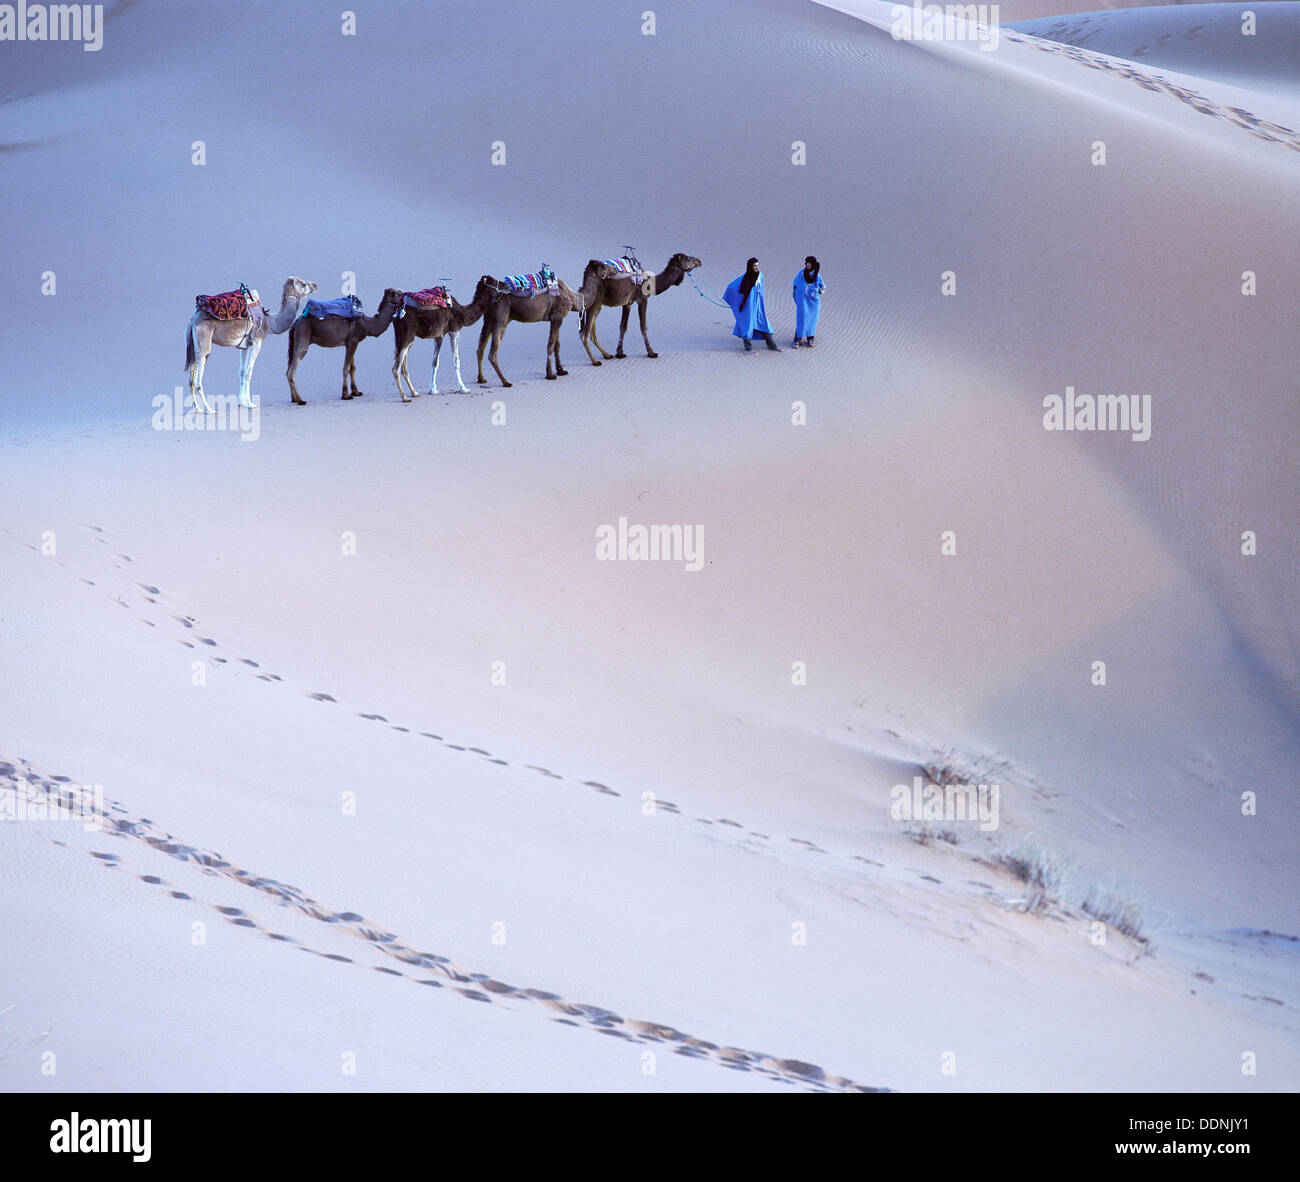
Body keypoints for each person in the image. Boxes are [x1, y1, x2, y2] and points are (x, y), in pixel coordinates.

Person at [723, 258, 782, 352]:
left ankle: (772, 345)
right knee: (747, 325)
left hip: (758, 306)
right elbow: (731, 287)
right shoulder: (744, 277)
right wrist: (733, 300)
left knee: (765, 325)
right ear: (750, 266)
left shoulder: (760, 276)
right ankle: (748, 348)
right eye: (755, 265)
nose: (756, 267)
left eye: (757, 265)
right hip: (748, 307)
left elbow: (761, 290)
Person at [792, 256, 824, 347]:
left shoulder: (816, 275)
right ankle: (798, 339)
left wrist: (817, 291)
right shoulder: (801, 273)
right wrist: (795, 295)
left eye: (810, 263)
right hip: (802, 301)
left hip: (813, 302)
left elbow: (822, 287)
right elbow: (795, 284)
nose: (808, 264)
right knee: (801, 318)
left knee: (812, 319)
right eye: (807, 262)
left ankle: (810, 338)